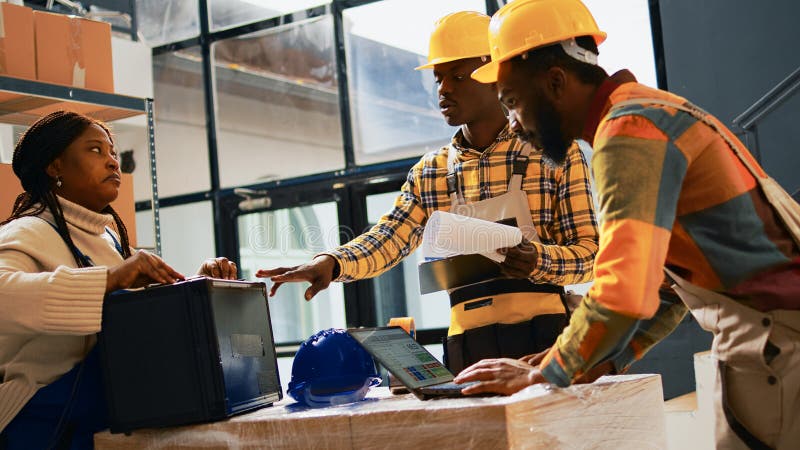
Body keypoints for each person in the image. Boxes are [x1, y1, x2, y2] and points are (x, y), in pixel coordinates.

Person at [454, 1, 800, 449]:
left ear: (555, 82)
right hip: (772, 342)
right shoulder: (646, 112)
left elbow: (622, 290)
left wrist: (547, 373)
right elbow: (664, 292)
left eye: (514, 103)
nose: (514, 126)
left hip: (776, 346)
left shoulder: (628, 131)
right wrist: (588, 362)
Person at [257, 11, 599, 373]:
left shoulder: (554, 153)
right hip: (466, 351)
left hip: (543, 344)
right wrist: (333, 262)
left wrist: (538, 260)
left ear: (494, 75)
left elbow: (591, 255)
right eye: (438, 79)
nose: (444, 89)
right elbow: (389, 239)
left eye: (456, 75)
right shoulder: (431, 172)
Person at [0, 111, 238, 449]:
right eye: (96, 151)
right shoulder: (27, 230)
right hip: (39, 428)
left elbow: (137, 320)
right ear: (55, 167)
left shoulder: (111, 241)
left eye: (112, 152)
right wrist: (107, 281)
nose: (113, 162)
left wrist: (195, 288)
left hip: (99, 419)